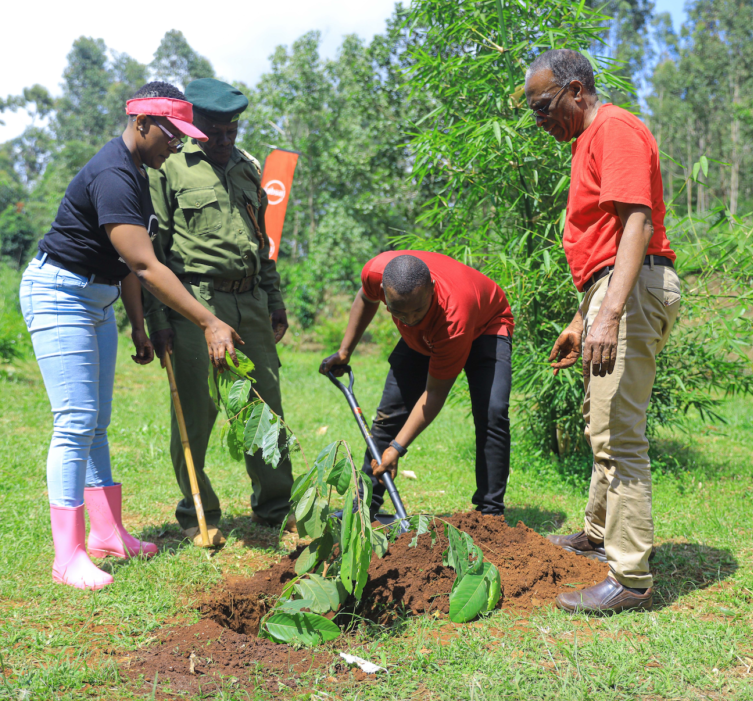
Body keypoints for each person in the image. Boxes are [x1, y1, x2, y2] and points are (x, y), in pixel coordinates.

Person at [20, 81, 243, 590]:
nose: (179, 145)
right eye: (172, 134)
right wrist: (208, 320)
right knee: (75, 420)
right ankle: (68, 555)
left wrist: (138, 324)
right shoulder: (115, 175)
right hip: (61, 294)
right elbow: (145, 263)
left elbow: (124, 261)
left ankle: (107, 534)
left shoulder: (141, 172)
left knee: (97, 421)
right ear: (142, 124)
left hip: (96, 299)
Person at [524, 50, 681, 613]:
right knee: (601, 421)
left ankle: (631, 577)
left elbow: (636, 221)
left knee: (619, 433)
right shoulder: (586, 142)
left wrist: (611, 312)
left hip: (629, 293)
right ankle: (597, 534)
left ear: (575, 90)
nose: (541, 121)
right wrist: (583, 315)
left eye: (544, 107)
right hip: (611, 291)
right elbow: (604, 242)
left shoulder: (614, 130)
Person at [144, 79, 293, 541]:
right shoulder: (170, 169)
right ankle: (198, 514)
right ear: (193, 126)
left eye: (232, 130)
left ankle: (275, 507)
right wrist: (159, 320)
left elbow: (262, 245)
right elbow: (154, 251)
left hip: (250, 301)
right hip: (195, 302)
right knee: (196, 409)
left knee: (263, 406)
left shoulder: (249, 170)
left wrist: (274, 299)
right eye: (215, 131)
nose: (226, 140)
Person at [319, 251, 514, 517]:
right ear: (386, 294)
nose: (410, 320)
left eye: (417, 310)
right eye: (399, 312)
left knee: (491, 412)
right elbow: (366, 299)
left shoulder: (453, 320)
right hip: (426, 335)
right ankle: (363, 508)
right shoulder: (376, 273)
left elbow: (434, 394)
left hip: (486, 326)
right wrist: (345, 351)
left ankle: (490, 515)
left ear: (431, 289)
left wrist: (397, 448)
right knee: (389, 415)